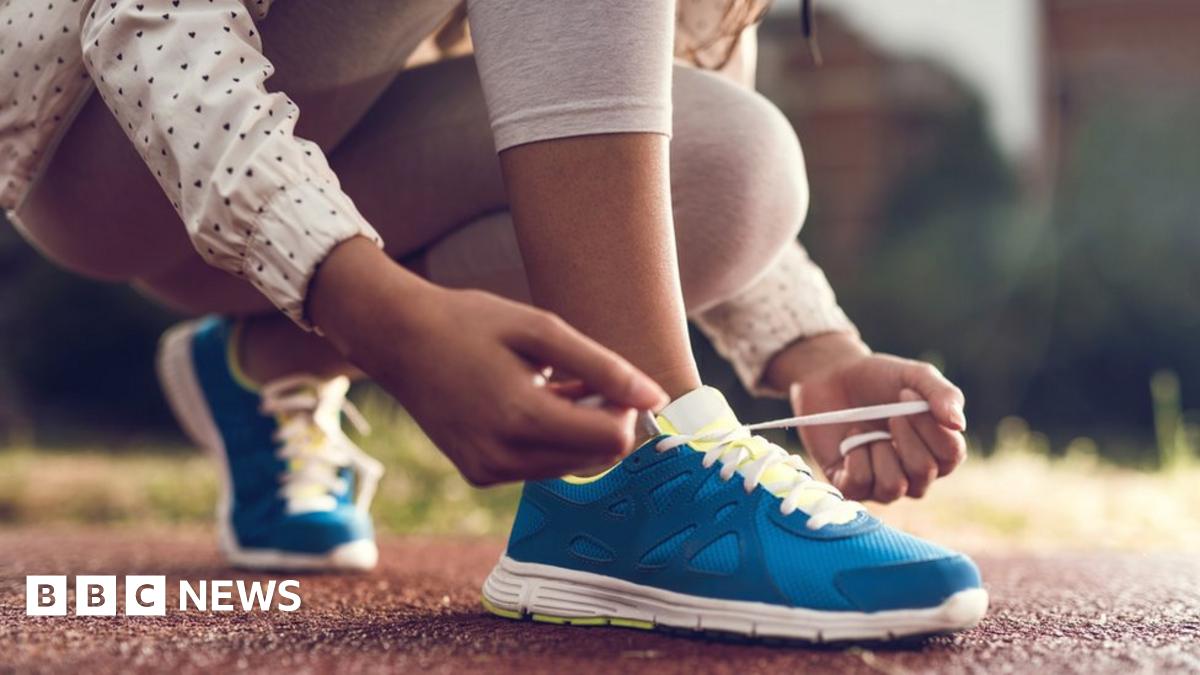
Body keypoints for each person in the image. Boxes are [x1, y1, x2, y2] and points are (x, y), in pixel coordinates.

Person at [0, 0, 984, 640]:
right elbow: (147, 29)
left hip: (336, 151)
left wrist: (818, 350)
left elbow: (634, 143)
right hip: (111, 144)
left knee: (733, 171)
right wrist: (371, 309)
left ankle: (262, 358)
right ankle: (643, 467)